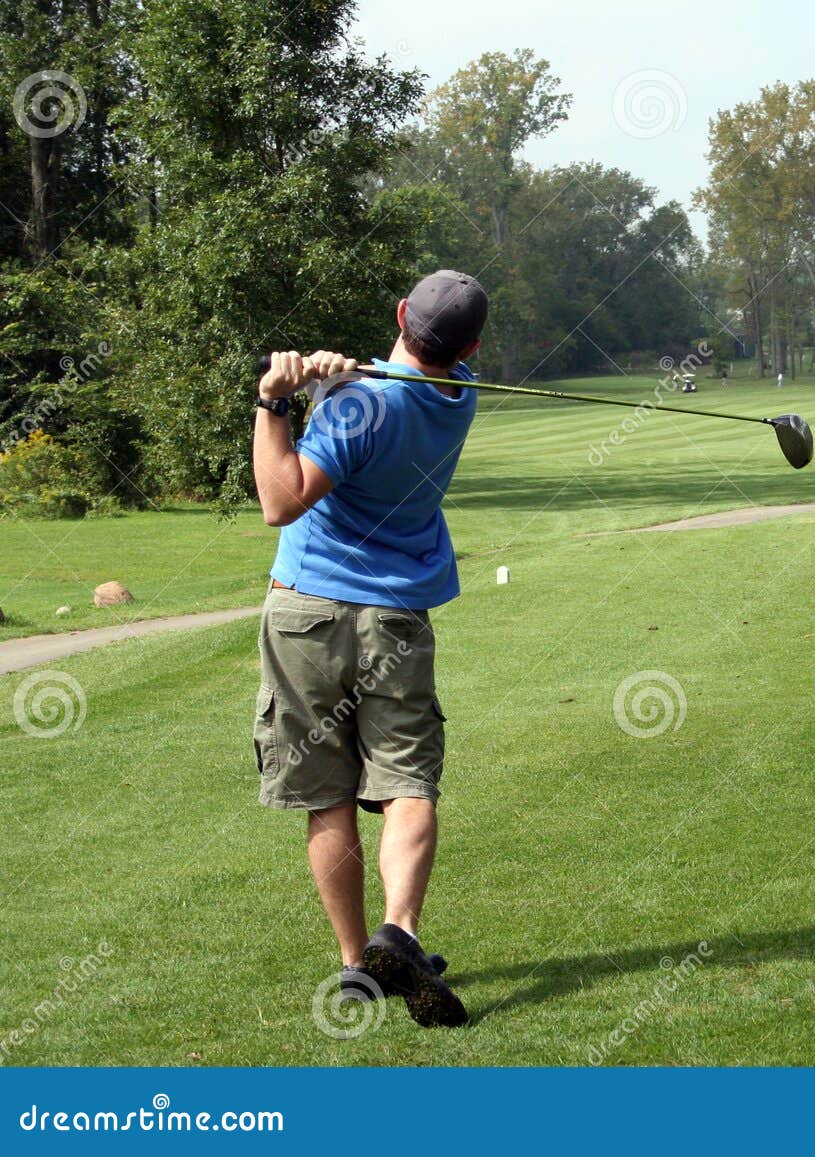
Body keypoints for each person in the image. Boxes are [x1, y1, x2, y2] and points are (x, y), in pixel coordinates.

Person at [251, 269, 488, 1029]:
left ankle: (359, 964)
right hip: (397, 615)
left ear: (398, 314)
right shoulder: (462, 394)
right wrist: (341, 384)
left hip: (308, 612)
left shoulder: (359, 404)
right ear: (471, 346)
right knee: (406, 783)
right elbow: (406, 383)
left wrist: (275, 400)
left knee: (326, 796)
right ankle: (403, 931)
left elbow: (280, 499)